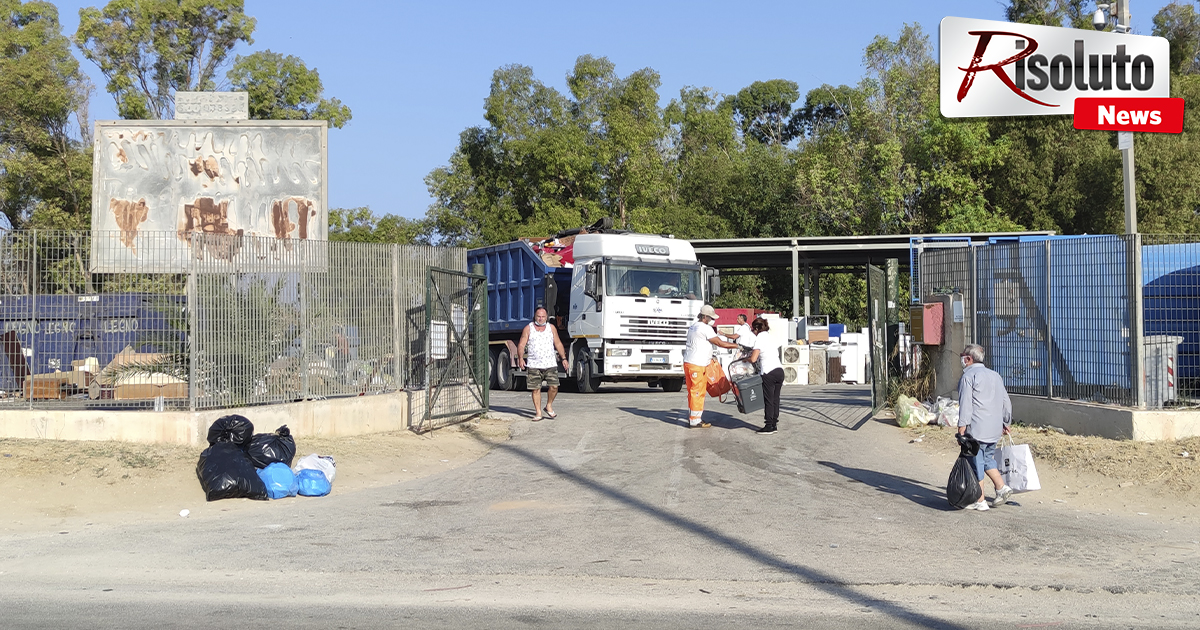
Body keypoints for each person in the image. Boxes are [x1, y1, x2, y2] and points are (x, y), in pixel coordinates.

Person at [957, 343, 1014, 511]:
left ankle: (979, 500)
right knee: (987, 458)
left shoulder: (968, 377)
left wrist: (962, 427)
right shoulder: (995, 375)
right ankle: (1001, 487)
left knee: (976, 462)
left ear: (968, 359)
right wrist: (1006, 422)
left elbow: (966, 404)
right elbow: (1006, 401)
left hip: (977, 428)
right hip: (994, 428)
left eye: (963, 357)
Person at [683, 304, 741, 428]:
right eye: (710, 318)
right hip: (697, 364)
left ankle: (693, 415)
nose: (712, 320)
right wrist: (737, 346)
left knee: (692, 391)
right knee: (698, 391)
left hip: (689, 362)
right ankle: (695, 419)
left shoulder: (693, 326)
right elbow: (719, 343)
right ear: (705, 317)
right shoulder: (705, 328)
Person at [517, 306, 570, 421]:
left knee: (554, 386)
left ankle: (549, 405)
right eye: (538, 316)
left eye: (543, 317)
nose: (540, 319)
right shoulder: (528, 328)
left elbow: (558, 343)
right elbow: (521, 344)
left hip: (550, 363)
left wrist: (564, 358)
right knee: (536, 389)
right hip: (534, 364)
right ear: (535, 316)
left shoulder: (551, 328)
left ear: (546, 317)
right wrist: (521, 358)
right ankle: (538, 412)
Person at [747, 317, 785, 434]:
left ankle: (768, 426)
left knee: (768, 400)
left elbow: (753, 358)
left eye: (753, 330)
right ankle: (774, 424)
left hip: (769, 372)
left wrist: (746, 359)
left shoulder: (759, 338)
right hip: (779, 370)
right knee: (775, 399)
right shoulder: (770, 336)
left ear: (757, 329)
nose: (753, 332)